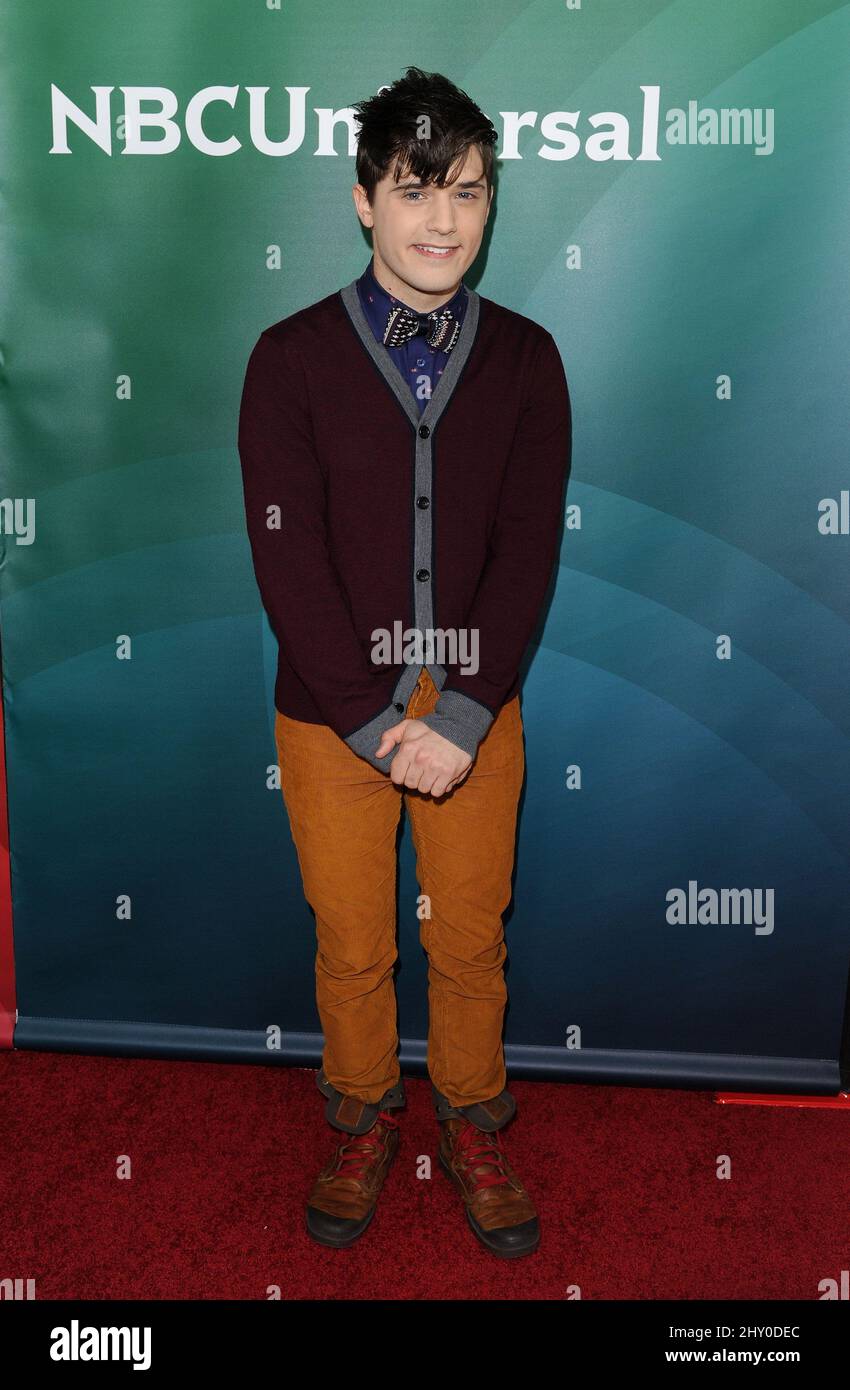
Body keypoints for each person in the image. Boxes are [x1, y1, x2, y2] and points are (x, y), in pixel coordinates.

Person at [238, 66, 572, 1259]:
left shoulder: (529, 360)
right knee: (353, 938)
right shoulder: (288, 358)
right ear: (362, 200)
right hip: (331, 713)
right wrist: (378, 721)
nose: (443, 219)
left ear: (490, 206)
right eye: (415, 189)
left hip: (478, 706)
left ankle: (474, 1117)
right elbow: (289, 563)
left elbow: (528, 551)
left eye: (468, 192)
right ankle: (362, 1110)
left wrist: (465, 710)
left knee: (471, 931)